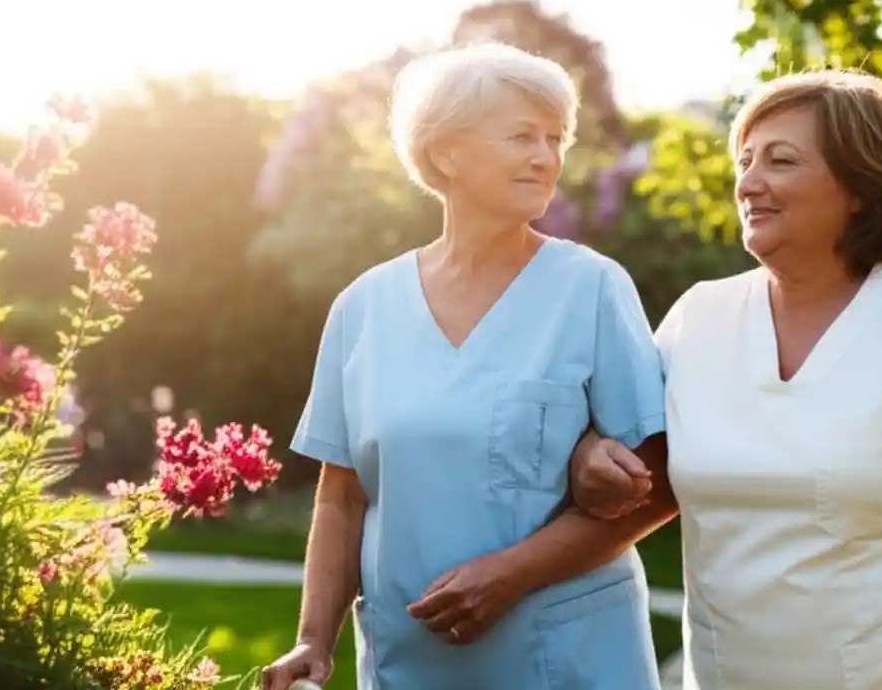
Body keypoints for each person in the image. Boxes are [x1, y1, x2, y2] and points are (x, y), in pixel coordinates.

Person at [571, 69, 882, 689]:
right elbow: (635, 468)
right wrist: (589, 456)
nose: (749, 184)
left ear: (863, 186)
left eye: (780, 161)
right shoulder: (696, 319)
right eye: (745, 160)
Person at [261, 43, 676, 690]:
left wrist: (511, 574)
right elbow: (341, 498)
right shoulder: (363, 307)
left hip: (566, 660)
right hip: (413, 665)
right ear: (447, 151)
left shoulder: (591, 288)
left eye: (554, 138)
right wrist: (314, 639)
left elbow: (657, 482)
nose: (547, 156)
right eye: (522, 136)